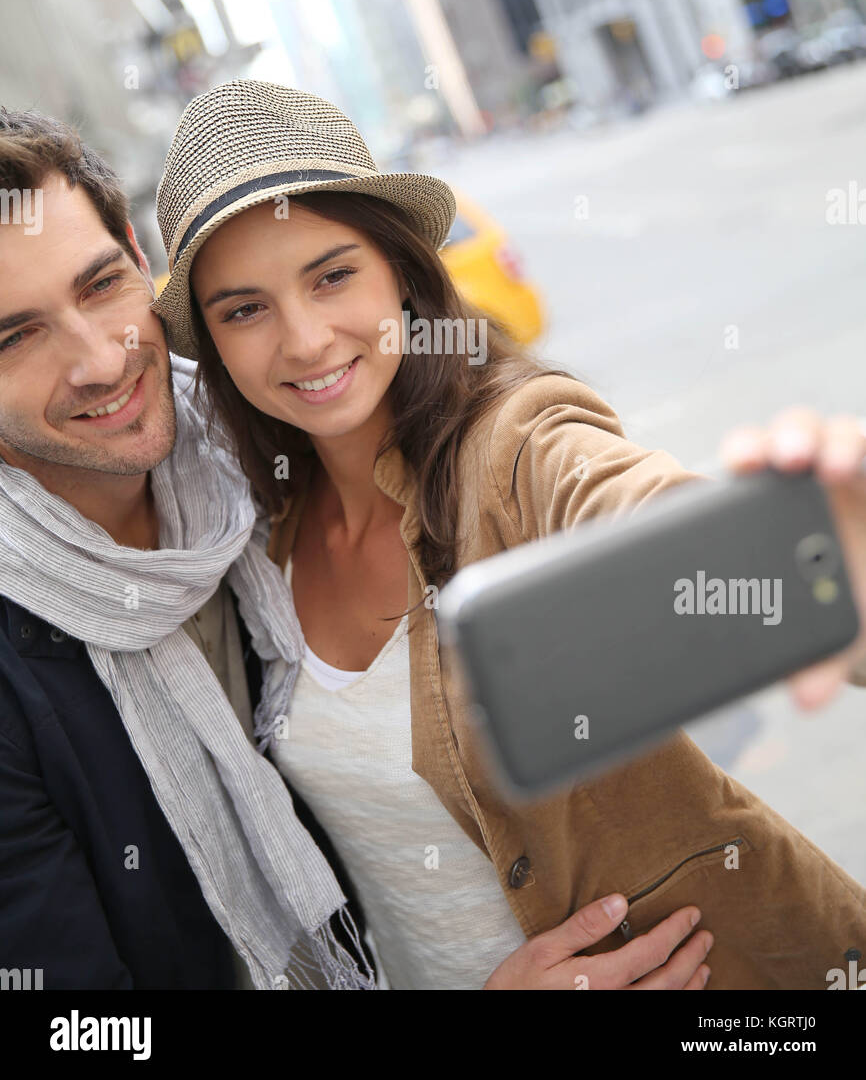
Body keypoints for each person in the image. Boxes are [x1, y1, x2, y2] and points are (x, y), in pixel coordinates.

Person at [151, 78, 866, 991]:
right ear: (210, 343)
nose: (303, 339)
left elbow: (622, 499)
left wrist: (808, 557)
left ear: (401, 275)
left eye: (333, 276)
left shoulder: (512, 448)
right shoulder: (257, 537)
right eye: (244, 309)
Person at [0, 109, 374, 990]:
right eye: (16, 336)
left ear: (139, 256)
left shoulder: (263, 437)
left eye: (99, 287)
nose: (100, 360)